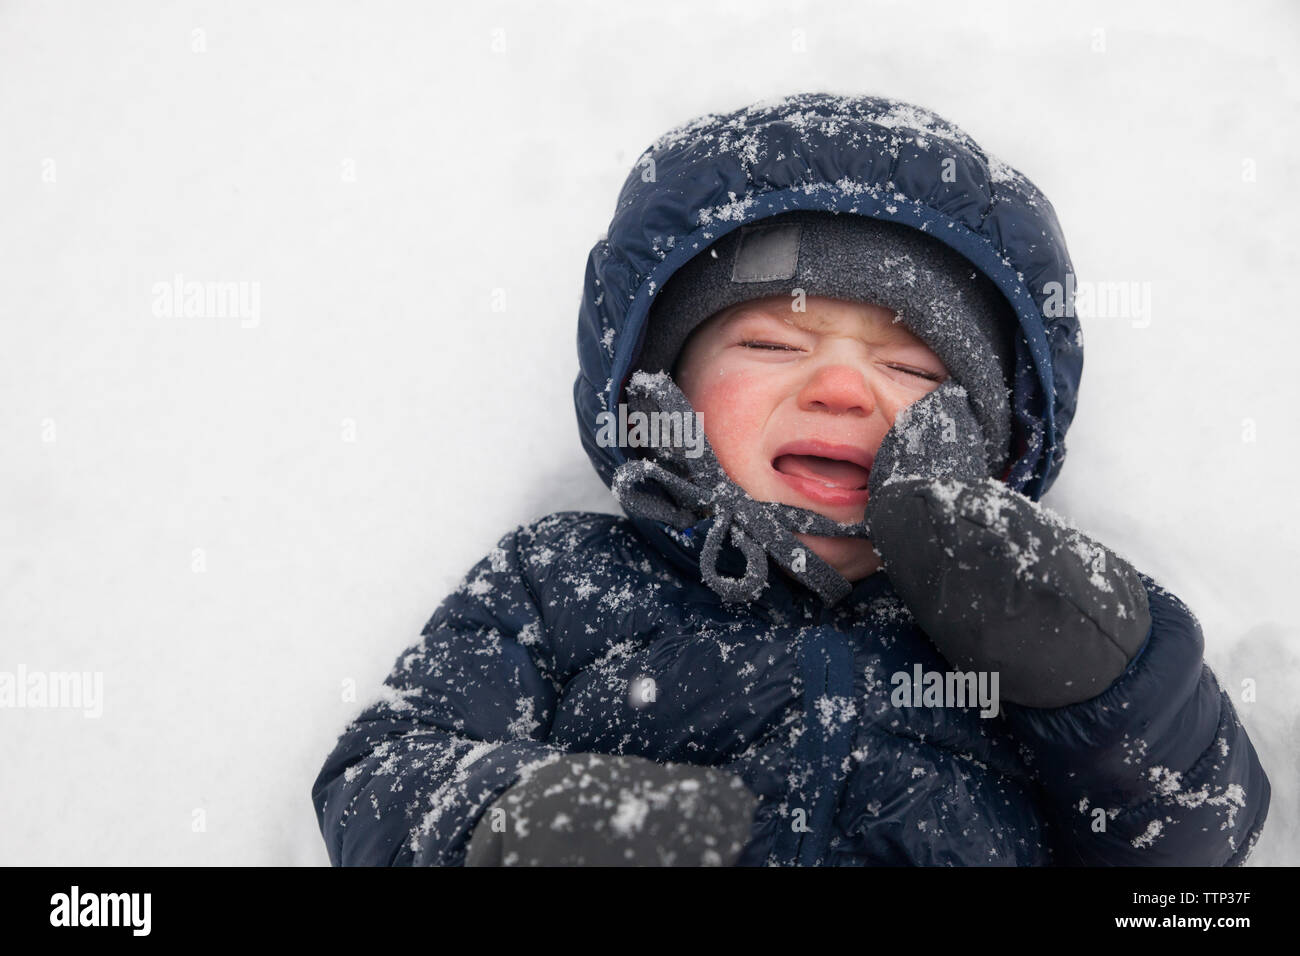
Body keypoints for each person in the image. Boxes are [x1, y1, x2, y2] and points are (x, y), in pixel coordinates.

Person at [311, 92, 1270, 866]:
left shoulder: (1017, 612)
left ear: (988, 437)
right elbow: (383, 773)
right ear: (665, 388)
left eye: (915, 371)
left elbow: (1188, 845)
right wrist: (532, 819)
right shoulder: (566, 579)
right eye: (772, 343)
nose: (844, 387)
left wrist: (1093, 670)